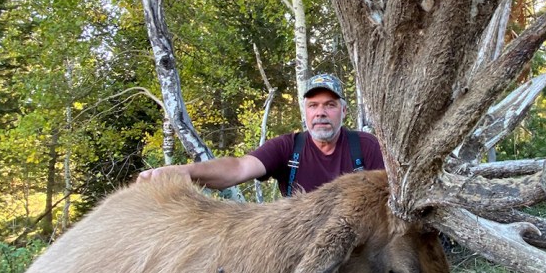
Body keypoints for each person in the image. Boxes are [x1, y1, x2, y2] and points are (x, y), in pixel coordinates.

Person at [136, 73, 384, 195]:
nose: (321, 112)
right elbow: (239, 168)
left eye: (329, 105)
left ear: (344, 111)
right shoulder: (289, 147)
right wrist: (184, 172)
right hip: (298, 247)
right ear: (305, 112)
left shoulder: (366, 147)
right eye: (313, 105)